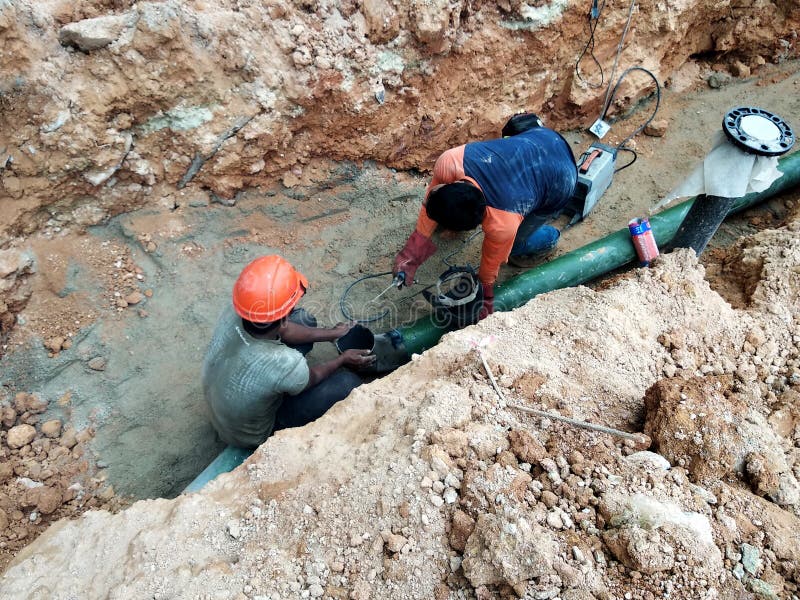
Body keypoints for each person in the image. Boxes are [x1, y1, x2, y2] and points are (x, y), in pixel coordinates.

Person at [393, 114, 577, 319]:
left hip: (562, 177)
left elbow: (492, 262)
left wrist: (486, 294)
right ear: (452, 184)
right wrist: (411, 254)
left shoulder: (502, 224)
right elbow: (432, 202)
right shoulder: (450, 162)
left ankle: (548, 237)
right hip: (539, 139)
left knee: (513, 248)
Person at [202, 255, 375, 448]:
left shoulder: (237, 310)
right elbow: (314, 377)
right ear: (282, 320)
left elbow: (285, 327)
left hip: (221, 405)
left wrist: (333, 333)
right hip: (248, 435)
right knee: (346, 383)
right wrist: (342, 359)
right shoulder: (285, 362)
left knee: (303, 319)